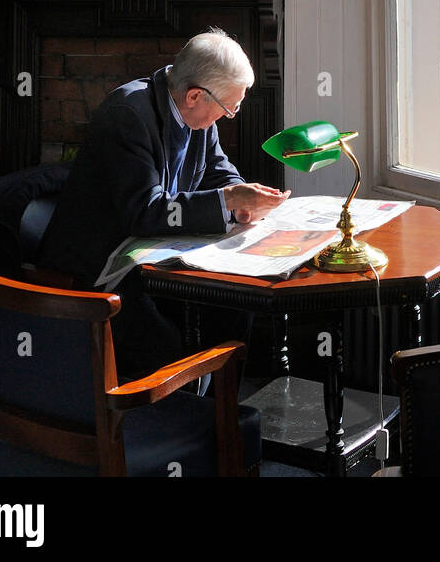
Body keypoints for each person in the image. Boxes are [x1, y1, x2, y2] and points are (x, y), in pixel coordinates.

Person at [38, 27, 289, 381]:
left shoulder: (201, 111)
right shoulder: (129, 114)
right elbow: (145, 212)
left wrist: (242, 196)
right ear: (194, 96)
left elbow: (218, 172)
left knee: (236, 305)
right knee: (167, 349)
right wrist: (226, 201)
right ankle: (169, 419)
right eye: (228, 108)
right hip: (101, 267)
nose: (228, 115)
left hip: (154, 256)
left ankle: (218, 413)